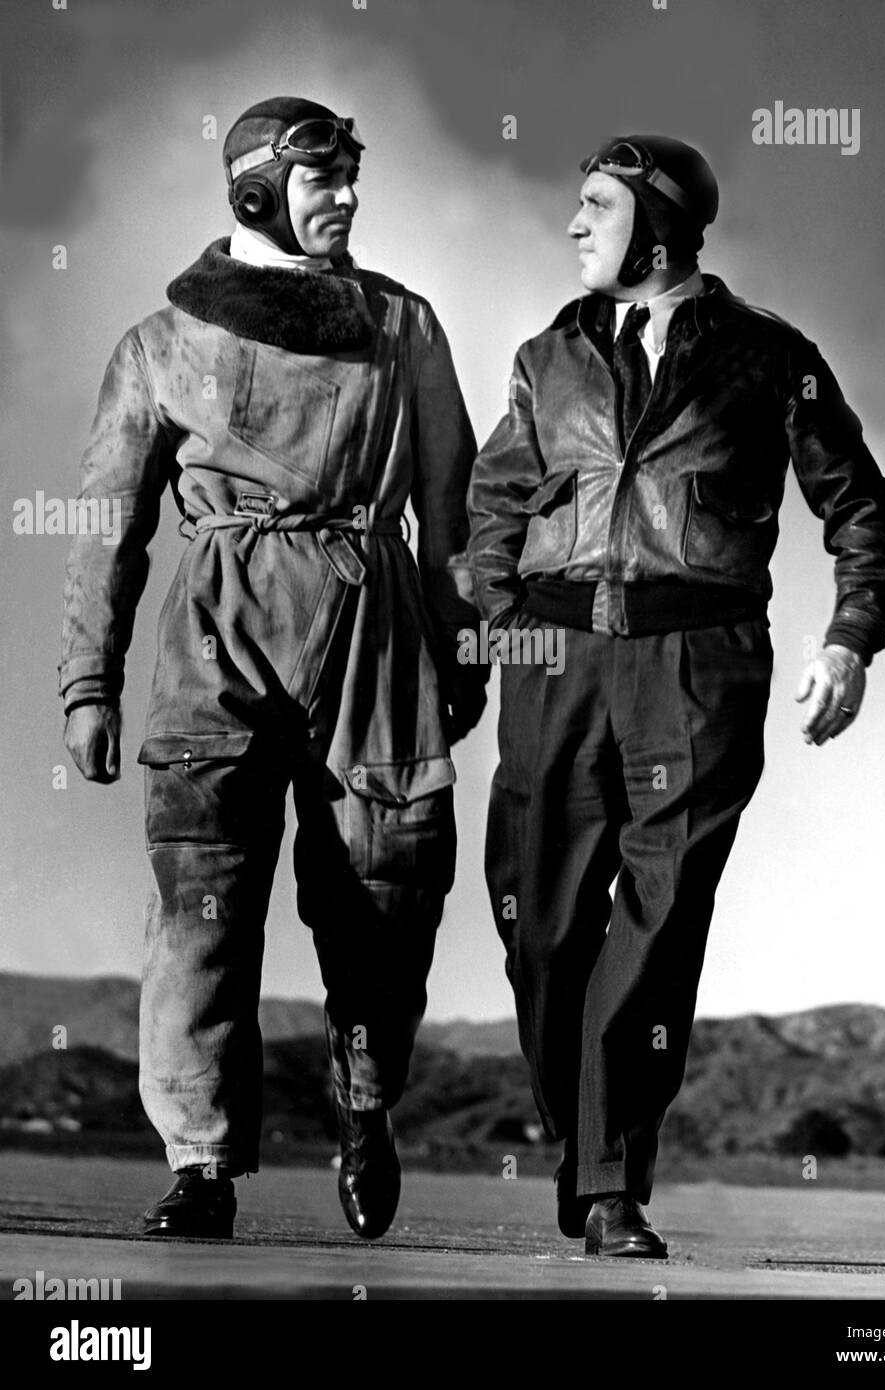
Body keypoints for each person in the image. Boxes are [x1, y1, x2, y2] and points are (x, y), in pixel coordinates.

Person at [466, 134, 885, 1258]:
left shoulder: (770, 357)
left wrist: (849, 640)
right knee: (541, 928)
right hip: (556, 663)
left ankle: (611, 1182)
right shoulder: (545, 357)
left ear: (655, 228)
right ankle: (588, 1145)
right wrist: (498, 628)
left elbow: (861, 510)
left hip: (698, 669)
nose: (572, 225)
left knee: (657, 927)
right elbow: (492, 513)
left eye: (594, 206)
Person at [60, 96, 486, 1241]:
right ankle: (201, 1163)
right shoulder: (158, 346)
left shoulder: (405, 327)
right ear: (253, 189)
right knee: (202, 899)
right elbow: (108, 526)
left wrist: (465, 646)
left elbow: (453, 505)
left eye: (352, 175)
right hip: (219, 630)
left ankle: (366, 1095)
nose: (346, 196)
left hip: (374, 619)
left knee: (387, 888)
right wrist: (87, 681)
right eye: (322, 178)